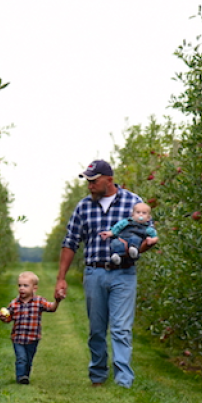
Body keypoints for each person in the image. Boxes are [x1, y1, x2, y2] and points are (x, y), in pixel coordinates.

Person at [54, 160, 155, 389]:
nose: (89, 185)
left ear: (109, 180)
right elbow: (71, 242)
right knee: (97, 329)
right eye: (87, 181)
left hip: (124, 273)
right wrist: (61, 277)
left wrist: (138, 250)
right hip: (94, 273)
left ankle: (123, 381)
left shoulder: (133, 202)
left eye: (93, 180)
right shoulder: (83, 207)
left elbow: (149, 234)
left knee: (121, 328)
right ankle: (98, 375)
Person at [0, 271, 62, 385]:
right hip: (18, 337)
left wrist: (57, 300)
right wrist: (2, 317)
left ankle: (25, 375)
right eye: (19, 285)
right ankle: (20, 377)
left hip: (33, 338)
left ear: (34, 288)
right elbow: (8, 318)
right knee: (21, 358)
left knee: (28, 360)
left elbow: (51, 308)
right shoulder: (14, 304)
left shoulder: (39, 301)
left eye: (25, 286)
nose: (21, 288)